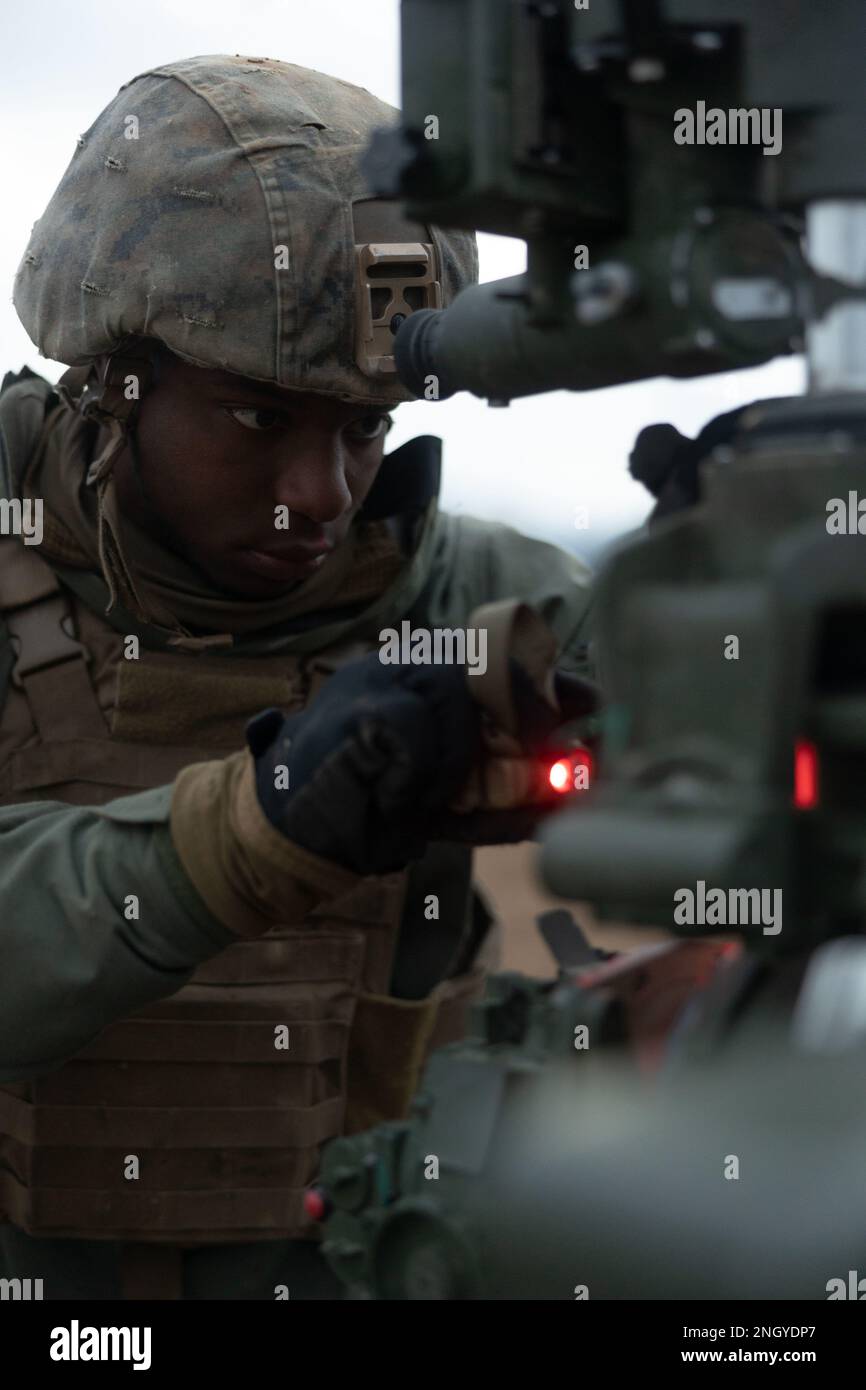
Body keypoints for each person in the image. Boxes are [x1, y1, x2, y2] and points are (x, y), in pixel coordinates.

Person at [0, 54, 593, 1300]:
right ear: (113, 384)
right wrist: (258, 829)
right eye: (258, 419)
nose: (319, 498)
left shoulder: (466, 597)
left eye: (362, 427)